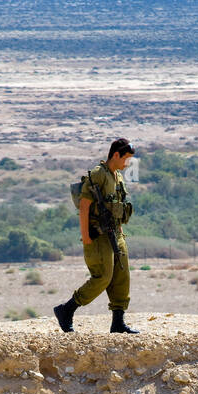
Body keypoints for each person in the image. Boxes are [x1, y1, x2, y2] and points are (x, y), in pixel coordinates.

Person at [54, 138, 138, 333]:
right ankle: (66, 310)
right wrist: (86, 237)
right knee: (102, 277)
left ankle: (118, 323)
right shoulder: (99, 174)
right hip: (98, 236)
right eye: (126, 159)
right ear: (116, 155)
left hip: (116, 234)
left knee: (121, 277)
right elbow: (85, 206)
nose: (127, 164)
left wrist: (120, 234)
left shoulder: (117, 176)